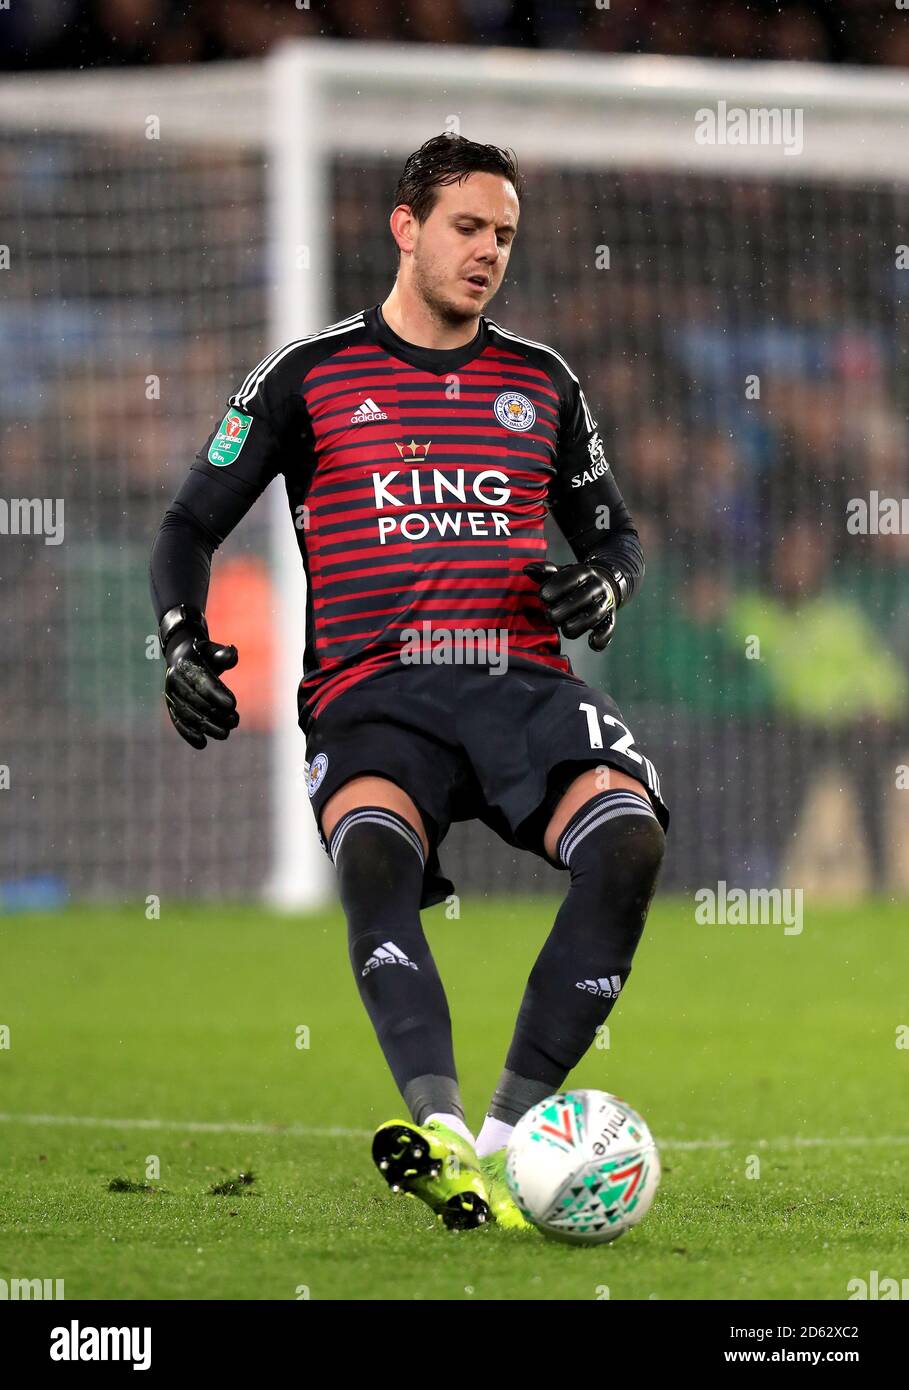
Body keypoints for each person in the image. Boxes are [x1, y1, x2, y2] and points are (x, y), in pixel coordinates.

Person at [149, 135, 669, 1232]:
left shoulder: (542, 382)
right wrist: (181, 638)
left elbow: (615, 535)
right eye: (467, 228)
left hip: (520, 683)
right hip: (374, 693)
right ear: (406, 228)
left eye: (504, 236)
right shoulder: (307, 376)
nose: (488, 253)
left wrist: (606, 584)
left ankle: (503, 1146)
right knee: (375, 859)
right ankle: (438, 1130)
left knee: (629, 841)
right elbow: (189, 524)